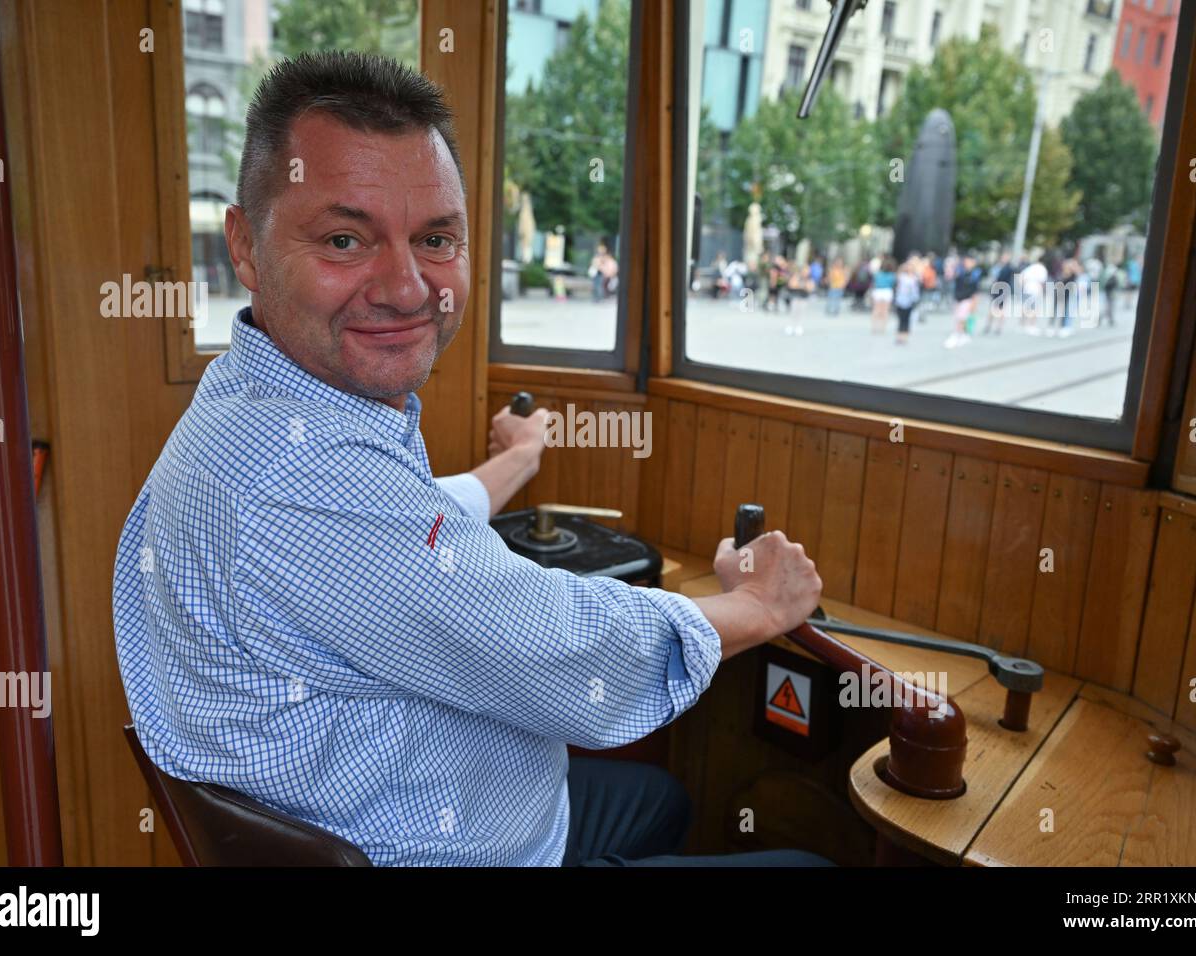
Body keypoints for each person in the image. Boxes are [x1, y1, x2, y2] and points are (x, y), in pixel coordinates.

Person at [111, 51, 828, 868]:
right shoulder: (298, 483)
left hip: (408, 803)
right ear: (245, 245)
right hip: (444, 845)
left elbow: (389, 528)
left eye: (435, 238)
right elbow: (571, 654)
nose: (409, 287)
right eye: (346, 239)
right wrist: (761, 608)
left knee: (659, 800)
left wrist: (511, 467)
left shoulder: (250, 402)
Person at [946, 252, 980, 348]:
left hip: (967, 299)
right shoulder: (960, 271)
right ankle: (962, 334)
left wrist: (974, 302)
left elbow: (976, 290)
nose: (967, 263)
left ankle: (957, 335)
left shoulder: (975, 274)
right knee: (959, 317)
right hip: (958, 298)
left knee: (962, 318)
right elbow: (951, 277)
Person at [984, 251, 1014, 335]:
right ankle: (988, 325)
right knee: (992, 308)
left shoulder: (1009, 268)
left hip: (1003, 290)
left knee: (1001, 310)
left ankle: (999, 327)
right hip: (995, 289)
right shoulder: (997, 266)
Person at [893, 255, 921, 345]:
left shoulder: (915, 278)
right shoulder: (901, 277)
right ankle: (899, 336)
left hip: (910, 300)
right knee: (901, 319)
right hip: (900, 300)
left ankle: (905, 336)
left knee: (907, 319)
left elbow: (916, 291)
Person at [870, 255, 896, 334]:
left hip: (878, 291)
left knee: (876, 309)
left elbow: (875, 283)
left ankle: (874, 327)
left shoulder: (878, 274)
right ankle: (883, 328)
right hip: (887, 291)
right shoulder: (892, 275)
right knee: (885, 311)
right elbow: (892, 284)